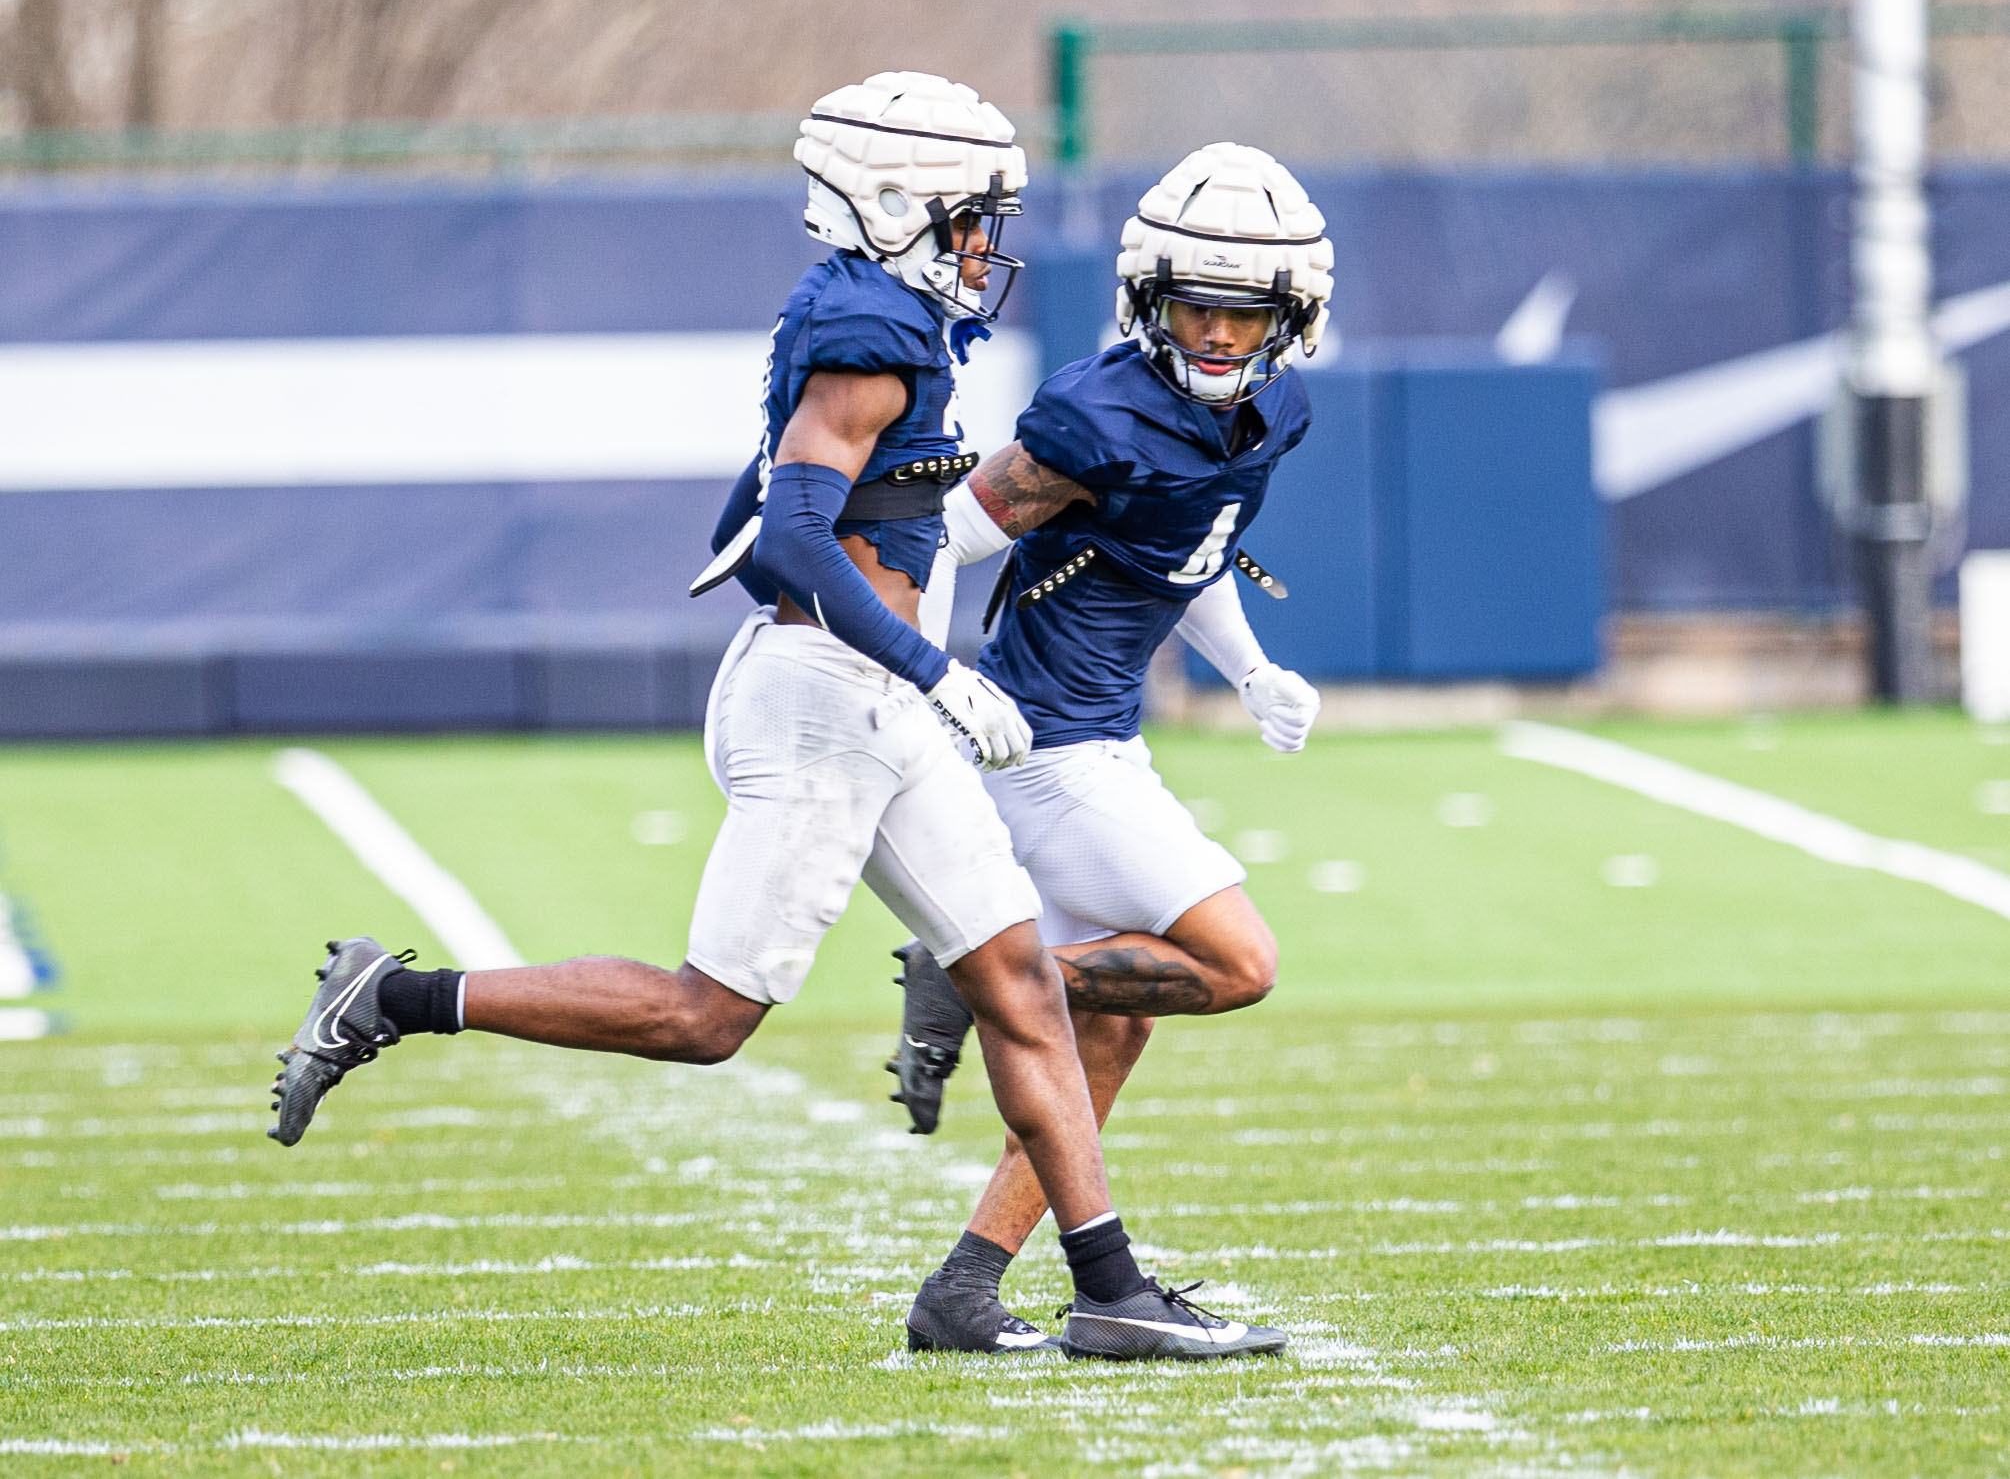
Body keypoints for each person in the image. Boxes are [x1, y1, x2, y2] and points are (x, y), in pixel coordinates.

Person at [264, 76, 1283, 1363]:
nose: (984, 245)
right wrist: (934, 664)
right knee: (707, 1018)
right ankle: (397, 996)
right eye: (969, 218)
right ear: (901, 206)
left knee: (1021, 985)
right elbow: (799, 533)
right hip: (825, 697)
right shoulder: (870, 329)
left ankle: (1098, 1290)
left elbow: (788, 507)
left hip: (871, 698)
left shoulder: (889, 316)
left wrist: (905, 657)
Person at [885, 143, 1332, 1354]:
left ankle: (966, 1289)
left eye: (1247, 316)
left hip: (1103, 745)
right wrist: (934, 688)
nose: (1222, 337)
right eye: (1198, 307)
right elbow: (940, 538)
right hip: (1040, 750)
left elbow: (1181, 556)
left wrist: (1248, 670)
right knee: (1238, 963)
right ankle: (976, 977)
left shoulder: (1274, 408)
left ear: (1291, 318)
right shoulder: (1096, 413)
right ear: (1151, 295)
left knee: (1117, 1024)